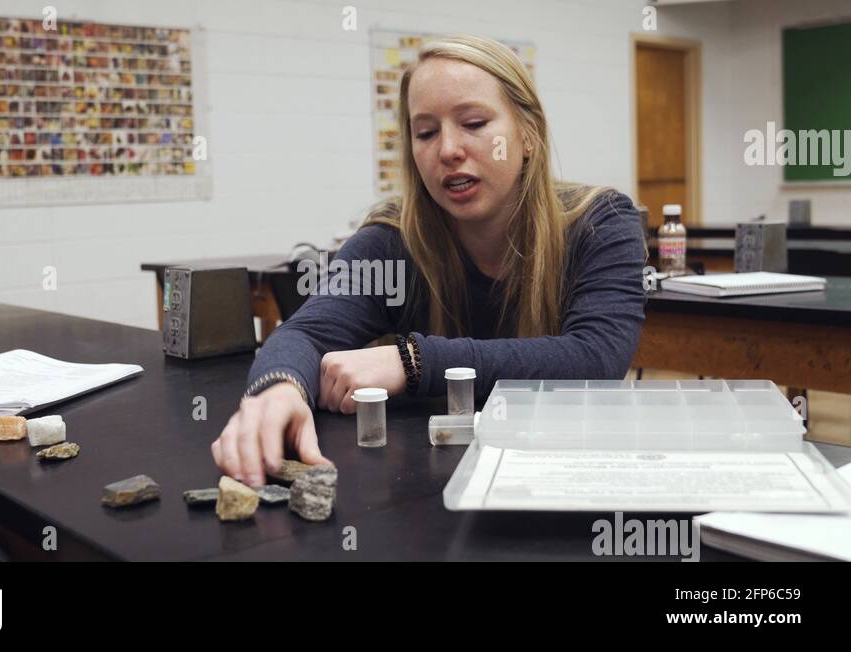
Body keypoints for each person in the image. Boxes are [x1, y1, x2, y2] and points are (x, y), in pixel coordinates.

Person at [211, 34, 647, 487]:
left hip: (562, 477)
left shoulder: (599, 222)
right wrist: (279, 388)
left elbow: (595, 359)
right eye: (426, 132)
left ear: (529, 134)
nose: (448, 150)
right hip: (428, 489)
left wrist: (413, 360)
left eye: (474, 123)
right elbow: (307, 332)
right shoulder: (391, 239)